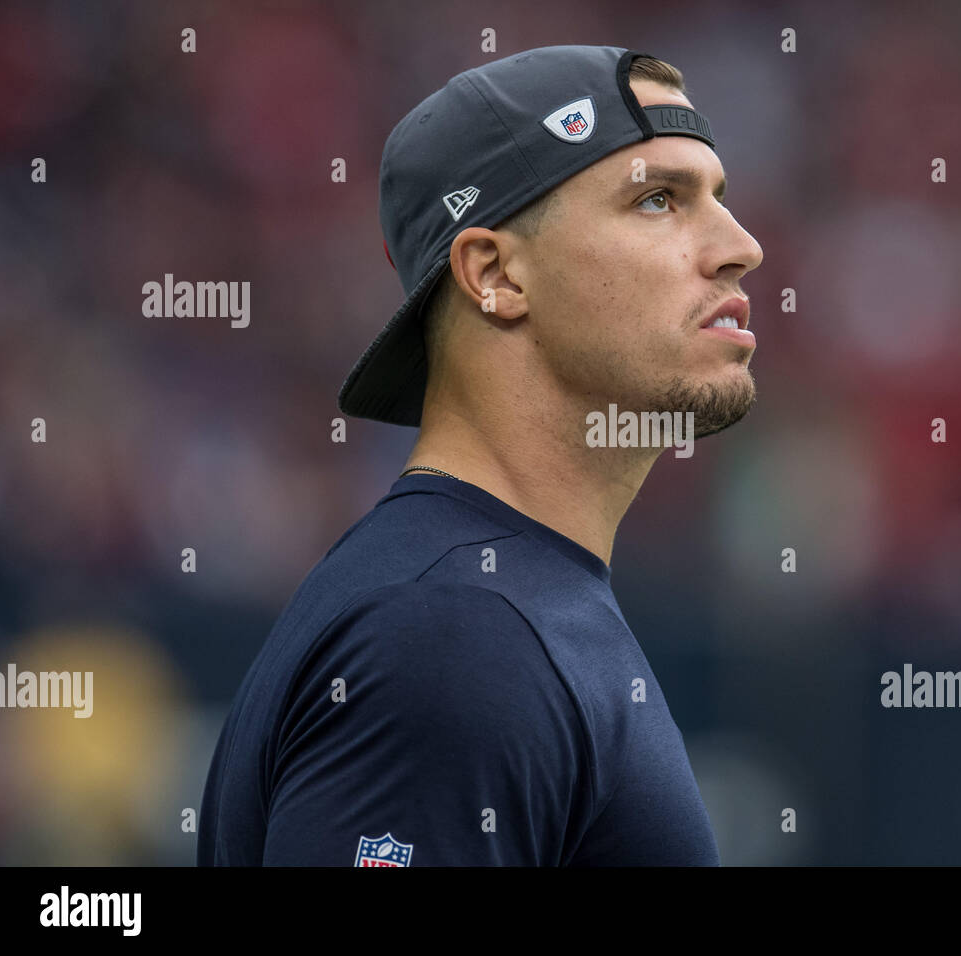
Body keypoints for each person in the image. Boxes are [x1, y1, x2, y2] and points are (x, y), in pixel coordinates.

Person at [197, 44, 763, 866]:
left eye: (718, 197)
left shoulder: (494, 607)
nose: (739, 245)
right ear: (494, 273)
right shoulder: (453, 638)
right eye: (657, 200)